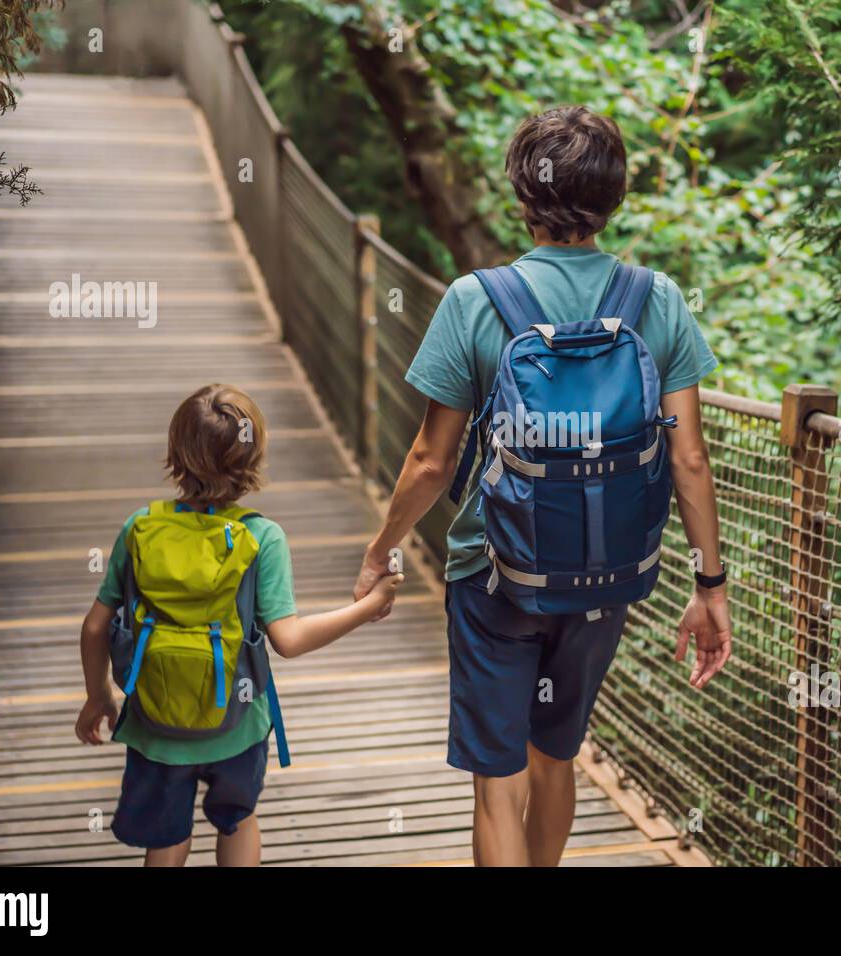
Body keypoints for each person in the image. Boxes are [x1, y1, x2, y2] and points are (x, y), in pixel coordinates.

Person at [353, 107, 732, 866]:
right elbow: (689, 460)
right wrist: (710, 584)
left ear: (522, 197)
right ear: (614, 197)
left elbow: (431, 461)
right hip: (605, 576)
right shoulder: (657, 300)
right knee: (556, 756)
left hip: (494, 576)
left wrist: (380, 551)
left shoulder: (475, 300)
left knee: (498, 779)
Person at [74, 384, 402, 866]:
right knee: (239, 819)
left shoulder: (140, 528)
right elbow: (287, 640)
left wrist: (99, 695)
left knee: (164, 839)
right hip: (238, 725)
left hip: (155, 725)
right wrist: (368, 607)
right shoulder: (260, 537)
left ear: (175, 453)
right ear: (254, 456)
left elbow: (95, 627)